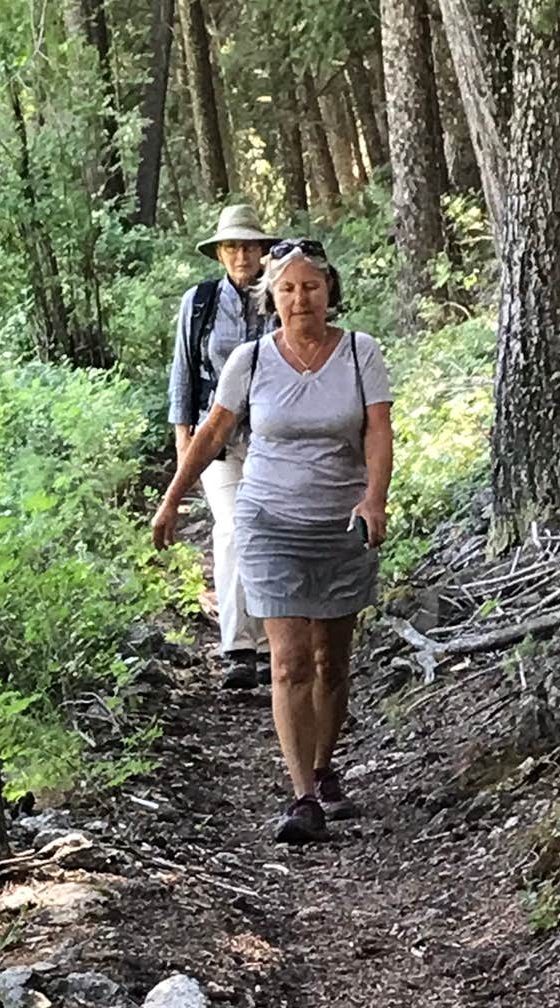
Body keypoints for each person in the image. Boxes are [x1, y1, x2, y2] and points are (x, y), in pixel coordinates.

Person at [152, 240, 394, 844]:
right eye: (286, 288)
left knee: (331, 662)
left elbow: (380, 432)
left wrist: (374, 499)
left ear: (329, 292)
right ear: (271, 298)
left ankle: (323, 764)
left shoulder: (361, 353)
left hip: (341, 523)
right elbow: (212, 434)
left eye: (310, 286)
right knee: (287, 663)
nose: (299, 298)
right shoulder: (251, 361)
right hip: (269, 520)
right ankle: (303, 797)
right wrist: (173, 496)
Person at [166, 204, 281, 691]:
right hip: (216, 442)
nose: (241, 254)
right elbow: (182, 377)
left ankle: (270, 641)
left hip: (273, 438)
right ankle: (237, 646)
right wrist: (183, 449)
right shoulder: (199, 303)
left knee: (270, 531)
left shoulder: (281, 293)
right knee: (234, 527)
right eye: (232, 246)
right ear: (219, 253)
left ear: (263, 251)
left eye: (250, 245)